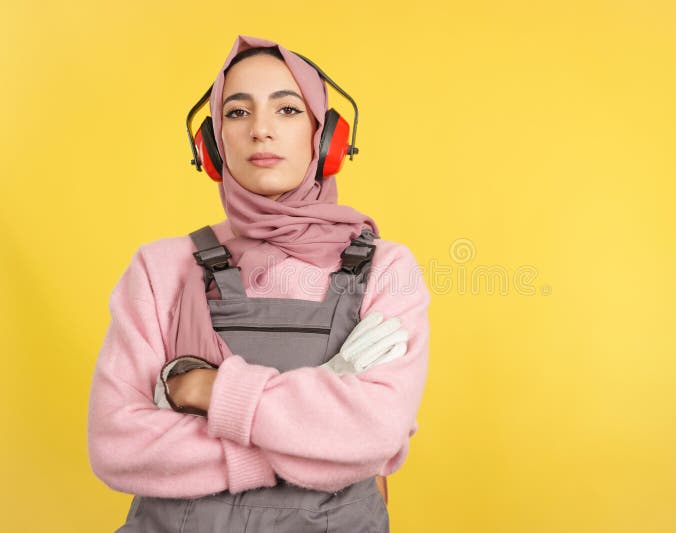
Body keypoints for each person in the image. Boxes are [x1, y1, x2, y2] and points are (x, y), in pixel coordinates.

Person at [87, 35, 430, 532]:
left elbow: (374, 434)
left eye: (288, 110)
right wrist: (313, 440)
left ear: (326, 137)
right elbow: (116, 447)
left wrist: (209, 390)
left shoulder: (388, 269)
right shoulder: (160, 267)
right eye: (237, 113)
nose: (261, 131)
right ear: (212, 144)